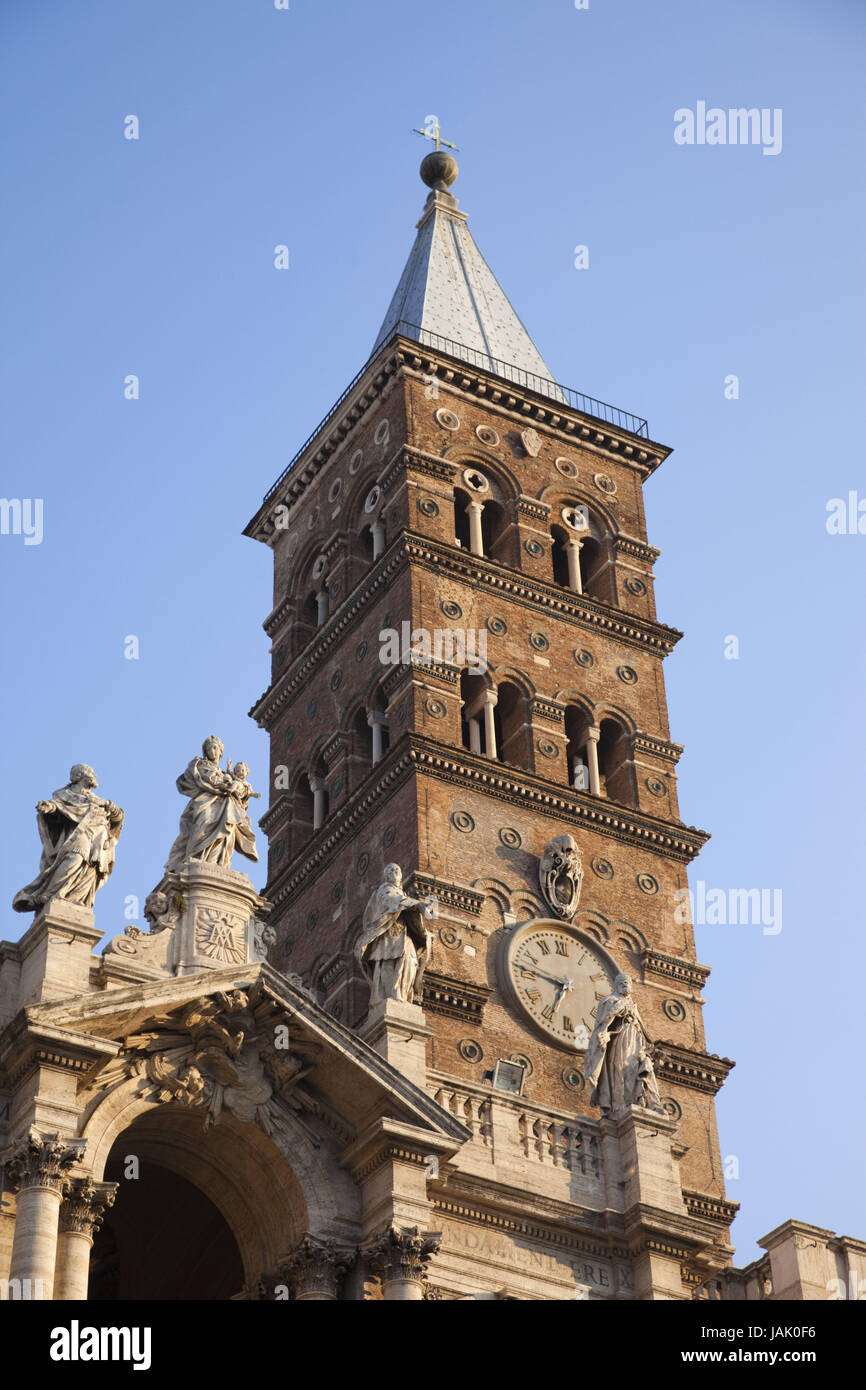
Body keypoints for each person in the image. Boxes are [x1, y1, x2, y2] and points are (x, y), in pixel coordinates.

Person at [13, 764, 124, 912]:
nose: (95, 776)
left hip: (99, 840)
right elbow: (57, 806)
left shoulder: (98, 800)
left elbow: (119, 817)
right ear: (79, 776)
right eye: (91, 773)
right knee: (75, 858)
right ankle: (49, 895)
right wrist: (48, 808)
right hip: (80, 834)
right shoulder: (66, 796)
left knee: (91, 870)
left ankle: (75, 899)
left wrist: (109, 805)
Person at [165, 737, 258, 872]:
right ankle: (194, 860)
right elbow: (209, 780)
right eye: (209, 749)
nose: (212, 751)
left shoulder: (226, 774)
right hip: (205, 803)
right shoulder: (201, 765)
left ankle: (217, 865)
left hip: (225, 807)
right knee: (201, 829)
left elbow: (241, 795)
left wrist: (238, 788)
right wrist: (227, 784)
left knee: (226, 832)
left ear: (220, 752)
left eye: (215, 748)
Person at [355, 863, 436, 1006]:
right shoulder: (385, 889)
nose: (394, 872)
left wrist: (424, 932)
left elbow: (406, 908)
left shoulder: (403, 895)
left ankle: (402, 995)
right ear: (386, 876)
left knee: (410, 960)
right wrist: (416, 904)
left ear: (401, 875)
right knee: (388, 963)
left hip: (404, 935)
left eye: (397, 869)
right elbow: (390, 900)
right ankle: (390, 996)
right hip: (387, 936)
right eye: (390, 870)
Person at [584, 973, 663, 1117]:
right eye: (622, 983)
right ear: (616, 986)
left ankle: (639, 1102)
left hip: (635, 1040)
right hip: (620, 1039)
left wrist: (649, 1047)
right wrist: (619, 1011)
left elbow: (642, 1028)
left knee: (636, 1068)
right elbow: (603, 1022)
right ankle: (620, 1105)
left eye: (627, 982)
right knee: (621, 1069)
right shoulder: (610, 1000)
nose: (625, 985)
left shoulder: (633, 1005)